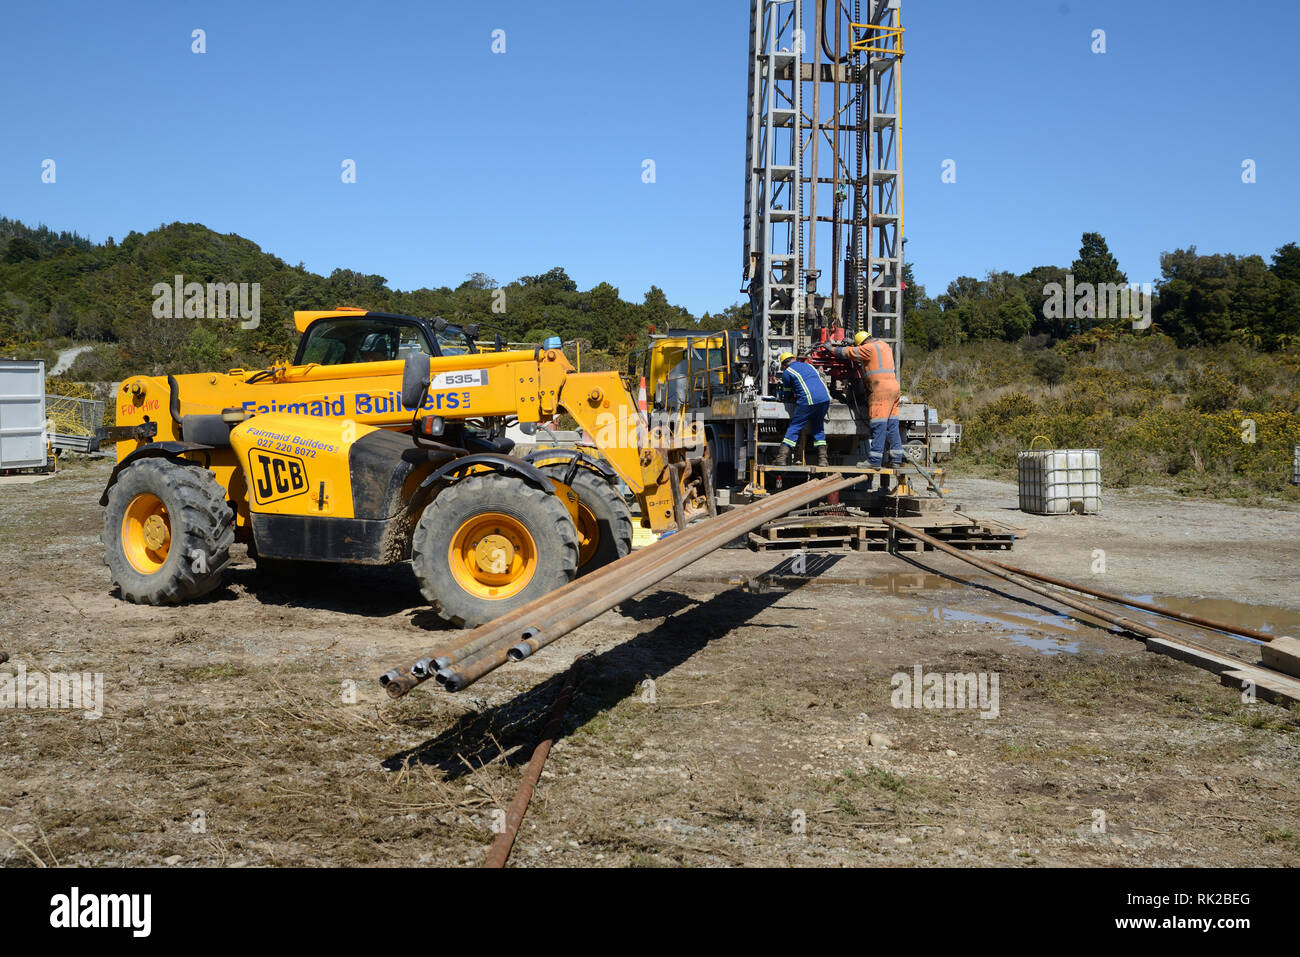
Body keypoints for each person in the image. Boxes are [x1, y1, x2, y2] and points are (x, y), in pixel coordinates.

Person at [832, 330, 904, 470]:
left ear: (863, 343)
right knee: (892, 426)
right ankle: (896, 460)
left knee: (879, 425)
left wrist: (832, 348)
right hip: (894, 388)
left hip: (880, 390)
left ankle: (874, 461)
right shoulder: (883, 345)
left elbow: (849, 353)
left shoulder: (869, 348)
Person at [774, 351, 830, 467]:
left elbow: (788, 393)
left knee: (795, 426)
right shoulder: (809, 365)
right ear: (794, 359)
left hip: (808, 400)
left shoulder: (787, 372)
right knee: (818, 427)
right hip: (825, 399)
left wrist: (787, 398)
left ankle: (782, 457)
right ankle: (823, 460)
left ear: (784, 365)